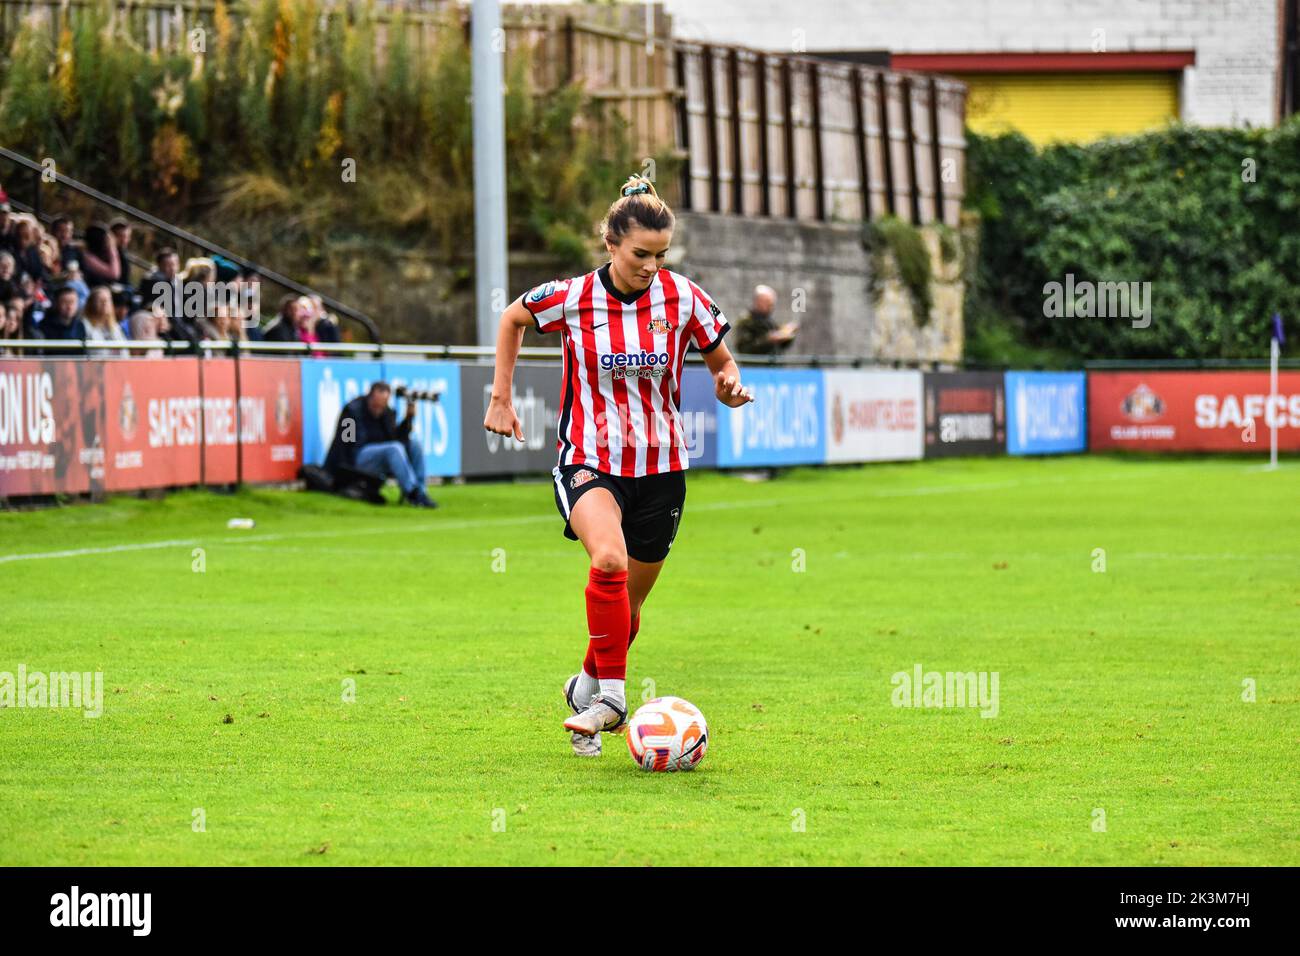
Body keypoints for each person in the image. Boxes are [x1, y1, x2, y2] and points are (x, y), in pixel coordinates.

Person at [483, 174, 755, 758]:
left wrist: (729, 386)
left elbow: (722, 363)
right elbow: (511, 318)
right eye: (640, 255)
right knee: (607, 558)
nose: (651, 266)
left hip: (662, 469)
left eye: (661, 255)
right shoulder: (573, 296)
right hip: (589, 460)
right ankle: (609, 701)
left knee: (627, 613)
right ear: (610, 244)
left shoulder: (683, 296)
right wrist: (500, 397)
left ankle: (583, 687)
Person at [323, 381, 437, 508]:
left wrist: (408, 419)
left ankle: (421, 492)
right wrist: (343, 475)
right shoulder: (351, 412)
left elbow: (397, 438)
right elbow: (344, 443)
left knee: (415, 445)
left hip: (383, 456)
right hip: (357, 458)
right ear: (370, 397)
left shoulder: (387, 412)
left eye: (383, 405)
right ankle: (412, 493)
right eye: (376, 405)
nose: (379, 409)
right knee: (394, 448)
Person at [732, 284, 799, 355]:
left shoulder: (768, 321)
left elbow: (781, 345)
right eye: (768, 302)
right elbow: (744, 349)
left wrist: (788, 333)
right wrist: (769, 339)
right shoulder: (746, 322)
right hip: (754, 365)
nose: (771, 306)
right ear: (758, 301)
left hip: (772, 365)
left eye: (772, 304)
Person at [82, 286, 127, 357]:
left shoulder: (115, 327)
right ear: (91, 303)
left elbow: (125, 352)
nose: (104, 303)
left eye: (108, 300)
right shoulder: (84, 325)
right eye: (100, 300)